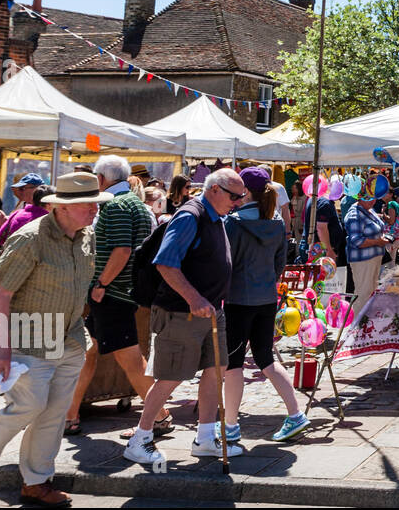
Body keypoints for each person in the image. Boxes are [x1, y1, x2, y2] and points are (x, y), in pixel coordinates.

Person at [0, 172, 108, 508]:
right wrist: (0, 348)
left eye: (95, 203)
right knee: (26, 407)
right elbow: (1, 295)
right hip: (28, 341)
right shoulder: (30, 238)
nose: (94, 210)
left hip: (69, 340)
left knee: (55, 414)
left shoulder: (87, 236)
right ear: (62, 208)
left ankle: (37, 483)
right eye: (87, 204)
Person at [123, 168, 247, 469]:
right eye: (234, 196)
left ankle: (205, 437)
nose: (238, 202)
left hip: (209, 311)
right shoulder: (191, 215)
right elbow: (165, 262)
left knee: (215, 369)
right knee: (172, 376)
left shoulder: (215, 216)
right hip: (181, 312)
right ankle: (139, 439)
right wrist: (193, 298)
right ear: (215, 189)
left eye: (241, 196)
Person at [64, 156, 172, 438]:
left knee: (132, 362)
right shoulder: (134, 203)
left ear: (101, 178)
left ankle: (160, 415)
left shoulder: (116, 204)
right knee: (88, 352)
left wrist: (101, 284)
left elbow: (122, 250)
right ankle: (70, 415)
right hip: (120, 293)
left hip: (113, 294)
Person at [223, 167, 309, 443]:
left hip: (238, 299)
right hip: (266, 298)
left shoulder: (233, 223)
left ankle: (231, 426)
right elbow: (279, 264)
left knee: (233, 363)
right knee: (266, 359)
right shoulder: (276, 223)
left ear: (245, 191)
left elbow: (226, 263)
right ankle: (295, 414)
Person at [344, 178, 395, 317]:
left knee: (370, 291)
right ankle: (358, 327)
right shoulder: (354, 214)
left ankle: (366, 322)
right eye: (369, 199)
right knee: (363, 293)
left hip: (373, 258)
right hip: (363, 260)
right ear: (360, 199)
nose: (373, 202)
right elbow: (357, 241)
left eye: (373, 198)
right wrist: (378, 242)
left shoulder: (368, 210)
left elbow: (375, 224)